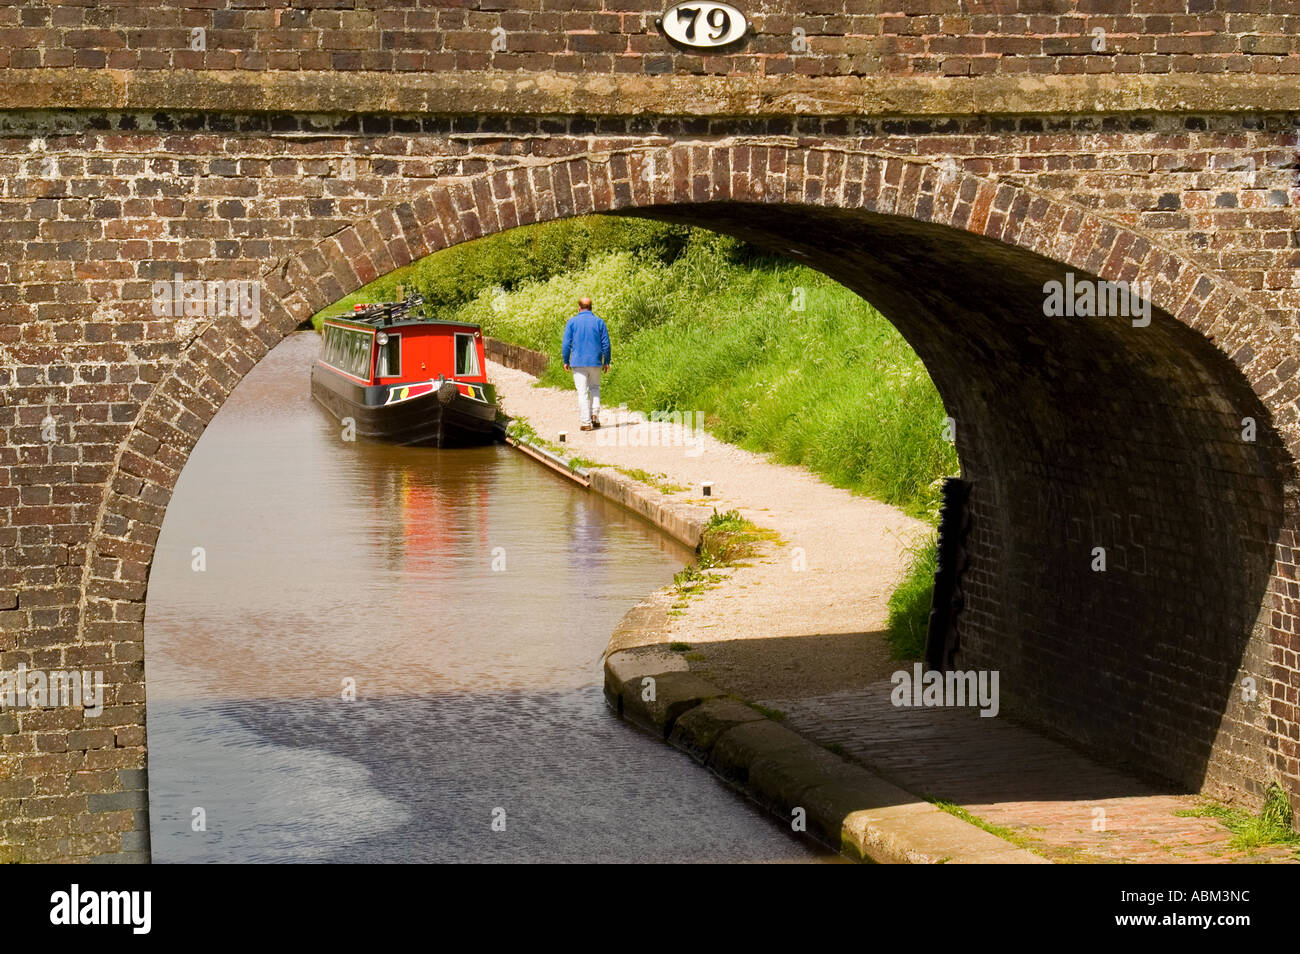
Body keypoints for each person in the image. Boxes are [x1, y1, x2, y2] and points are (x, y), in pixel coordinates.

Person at [561, 296, 611, 431]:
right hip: (595, 361)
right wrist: (606, 361)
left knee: (582, 392)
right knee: (595, 387)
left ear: (579, 308)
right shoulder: (599, 322)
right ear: (591, 308)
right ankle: (594, 415)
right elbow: (606, 344)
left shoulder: (572, 322)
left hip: (578, 362)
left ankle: (586, 423)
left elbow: (566, 344)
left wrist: (566, 360)